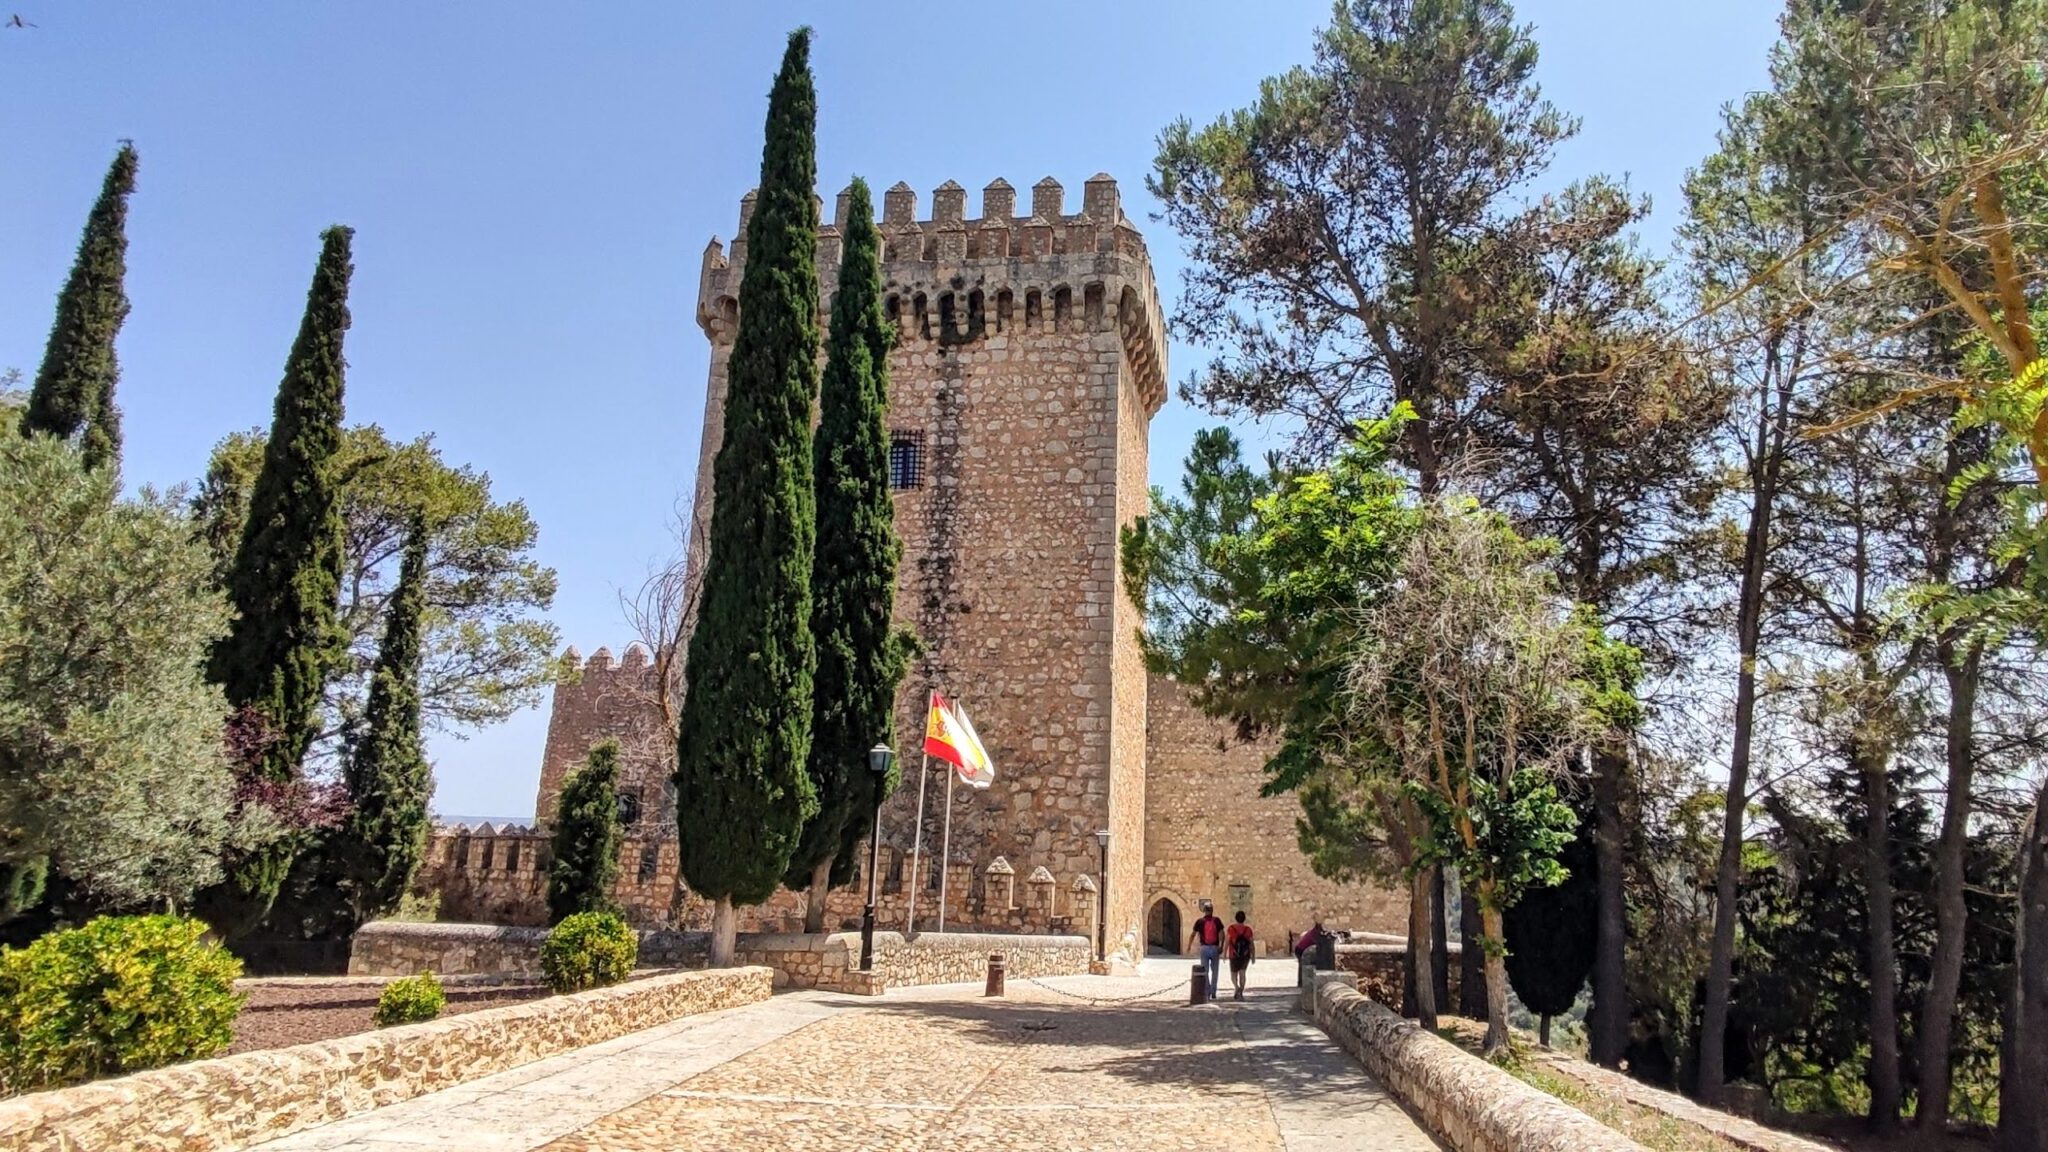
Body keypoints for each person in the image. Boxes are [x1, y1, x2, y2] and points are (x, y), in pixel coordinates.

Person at [1188, 900, 1226, 1002]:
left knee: (1205, 971)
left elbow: (1193, 934)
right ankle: (1213, 991)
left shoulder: (1200, 921)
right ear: (1212, 911)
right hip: (1214, 948)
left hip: (1204, 948)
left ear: (1204, 911)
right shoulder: (1217, 921)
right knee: (1215, 971)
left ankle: (1207, 990)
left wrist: (1189, 946)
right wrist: (1221, 946)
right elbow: (1222, 933)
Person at [1224, 911, 1255, 1000]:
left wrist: (1224, 954)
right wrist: (1253, 956)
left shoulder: (1231, 929)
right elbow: (1251, 944)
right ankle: (1240, 991)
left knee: (1233, 974)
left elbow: (1227, 942)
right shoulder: (1248, 930)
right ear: (1244, 919)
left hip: (1233, 954)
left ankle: (1236, 987)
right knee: (1243, 973)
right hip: (1245, 955)